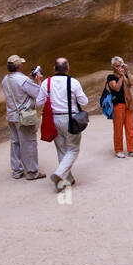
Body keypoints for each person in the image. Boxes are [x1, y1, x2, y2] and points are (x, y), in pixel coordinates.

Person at [37, 57, 88, 191]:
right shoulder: (74, 82)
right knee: (73, 149)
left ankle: (67, 180)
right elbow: (84, 102)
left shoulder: (46, 83)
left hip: (53, 119)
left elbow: (39, 102)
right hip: (71, 119)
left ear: (54, 68)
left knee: (61, 149)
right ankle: (59, 174)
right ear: (68, 68)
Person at [1, 55, 46, 180]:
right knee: (29, 143)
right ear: (19, 66)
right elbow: (39, 93)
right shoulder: (23, 80)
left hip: (11, 115)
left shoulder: (5, 79)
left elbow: (18, 88)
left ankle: (17, 170)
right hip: (24, 116)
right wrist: (38, 80)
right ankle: (32, 172)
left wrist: (29, 78)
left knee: (15, 142)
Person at [106, 56, 133, 158]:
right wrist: (122, 76)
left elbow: (132, 83)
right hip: (118, 105)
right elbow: (116, 88)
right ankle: (118, 150)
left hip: (128, 104)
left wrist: (127, 71)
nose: (119, 68)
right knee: (118, 129)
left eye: (121, 65)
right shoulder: (111, 77)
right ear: (113, 66)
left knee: (130, 127)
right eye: (117, 66)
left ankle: (132, 150)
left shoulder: (126, 74)